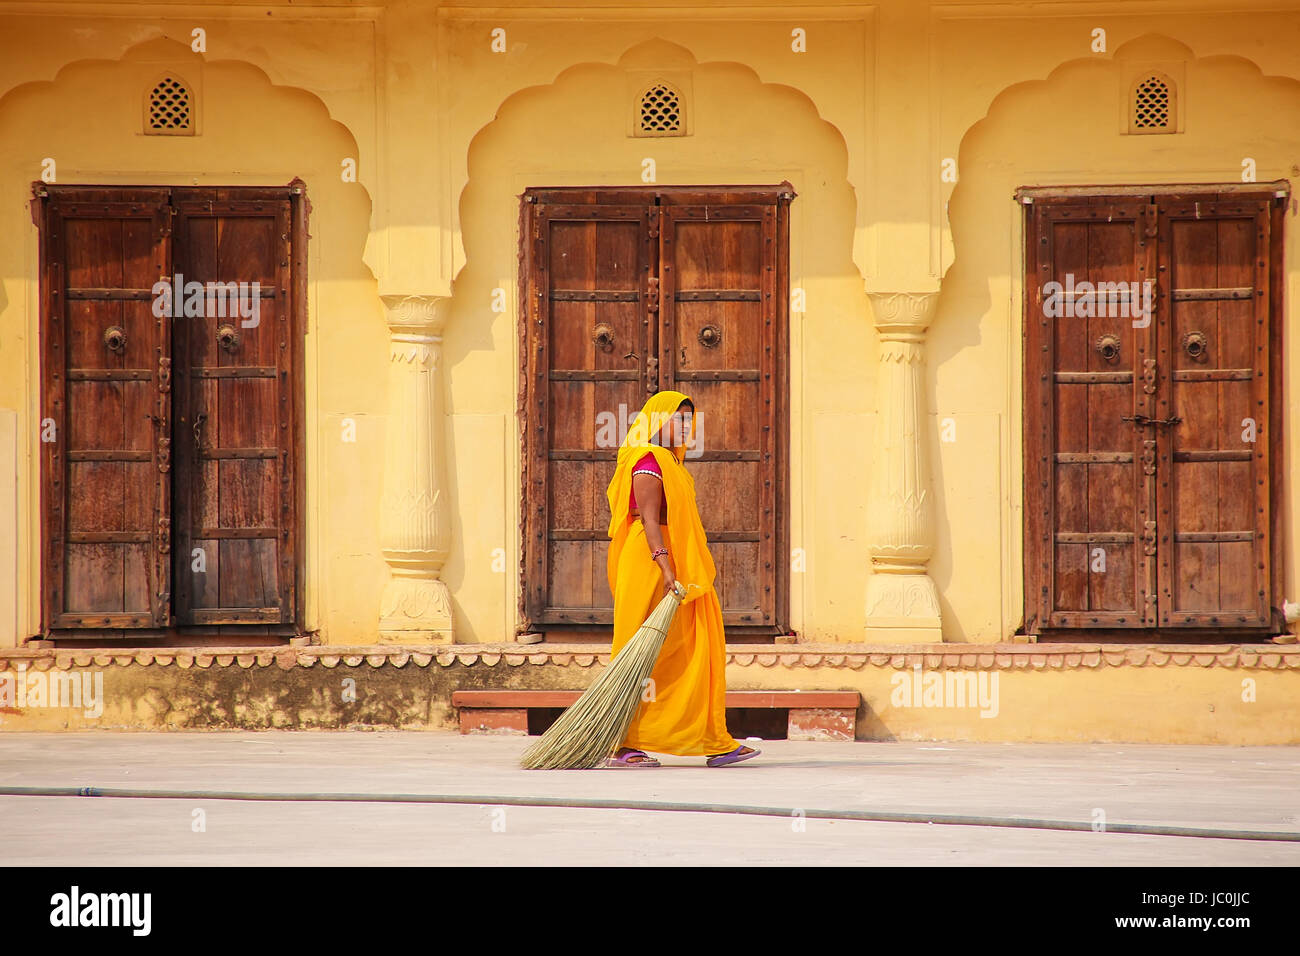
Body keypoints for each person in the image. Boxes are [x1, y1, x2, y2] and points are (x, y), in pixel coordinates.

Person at [602, 389, 760, 769]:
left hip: (674, 562)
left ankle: (711, 739)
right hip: (650, 563)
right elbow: (649, 520)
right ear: (657, 421)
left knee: (694, 647)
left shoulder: (672, 464)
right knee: (637, 652)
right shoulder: (647, 461)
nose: (687, 427)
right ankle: (622, 743)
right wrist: (667, 568)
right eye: (680, 418)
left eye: (691, 419)